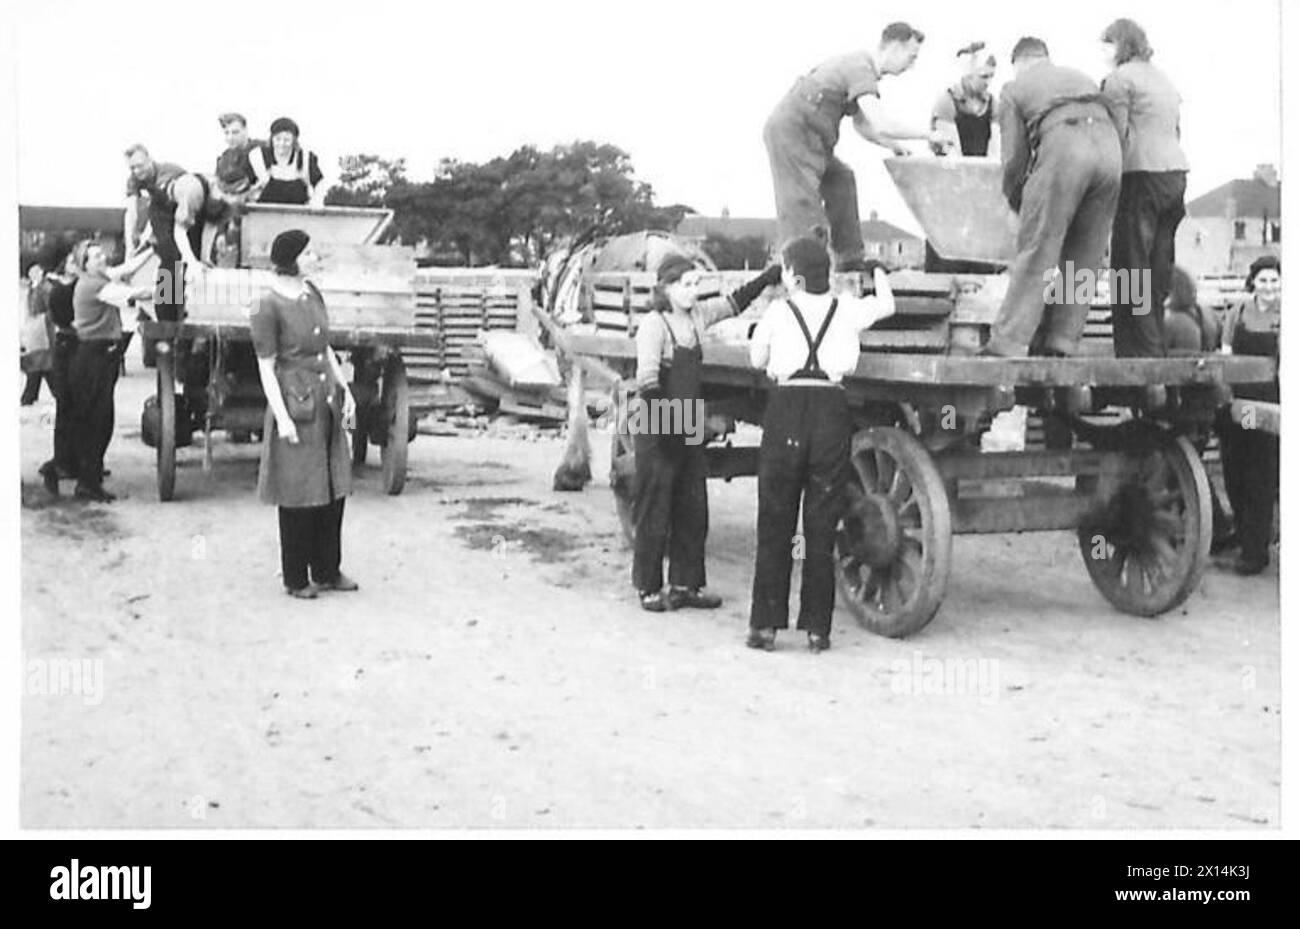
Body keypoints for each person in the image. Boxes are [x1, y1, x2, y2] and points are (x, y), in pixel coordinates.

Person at [747, 237, 895, 652]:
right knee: (821, 523)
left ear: (793, 276)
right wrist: (877, 270)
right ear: (825, 274)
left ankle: (765, 626)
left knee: (775, 519)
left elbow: (757, 360)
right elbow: (887, 306)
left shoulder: (778, 311)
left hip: (787, 407)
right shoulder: (846, 307)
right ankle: (817, 629)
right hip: (831, 409)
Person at [631, 256, 783, 612]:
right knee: (655, 509)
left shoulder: (696, 316)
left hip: (687, 424)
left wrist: (767, 278)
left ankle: (686, 584)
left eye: (696, 284)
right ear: (666, 287)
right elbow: (648, 382)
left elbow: (734, 303)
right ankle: (648, 587)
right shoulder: (654, 325)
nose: (692, 291)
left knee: (692, 508)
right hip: (657, 425)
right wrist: (667, 430)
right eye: (685, 284)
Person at [764, 22, 945, 272]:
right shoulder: (860, 67)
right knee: (802, 206)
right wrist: (929, 135)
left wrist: (895, 146)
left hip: (813, 140)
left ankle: (849, 262)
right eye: (910, 57)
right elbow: (880, 123)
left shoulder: (861, 71)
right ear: (894, 47)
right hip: (794, 134)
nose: (911, 66)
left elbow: (864, 125)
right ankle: (804, 271)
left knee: (841, 180)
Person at [982, 37, 1122, 357]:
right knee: (1086, 255)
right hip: (1110, 151)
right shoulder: (1079, 76)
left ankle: (1008, 343)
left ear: (1018, 63)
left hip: (1067, 146)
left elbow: (1014, 158)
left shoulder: (1014, 88)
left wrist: (1018, 199)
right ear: (1046, 57)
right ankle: (1063, 341)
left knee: (1038, 248)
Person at [250, 229, 358, 599]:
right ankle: (296, 578)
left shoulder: (313, 293)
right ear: (291, 258)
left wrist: (345, 388)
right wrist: (281, 417)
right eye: (308, 252)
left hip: (327, 398)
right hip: (295, 400)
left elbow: (326, 350)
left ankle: (328, 569)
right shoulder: (265, 303)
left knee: (333, 483)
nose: (315, 257)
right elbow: (266, 366)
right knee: (298, 490)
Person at [1101, 18, 1190, 358]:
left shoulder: (1119, 80)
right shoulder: (1162, 78)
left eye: (1107, 46)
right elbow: (1176, 130)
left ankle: (1138, 352)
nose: (1104, 55)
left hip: (1140, 175)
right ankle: (1154, 346)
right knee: (1158, 265)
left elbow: (1115, 137)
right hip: (1175, 175)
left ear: (1120, 45)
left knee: (1129, 265)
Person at [67, 240, 155, 502]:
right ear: (85, 264)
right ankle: (88, 484)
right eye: (95, 256)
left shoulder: (97, 278)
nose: (103, 258)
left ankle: (90, 480)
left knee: (98, 420)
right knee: (97, 422)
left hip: (95, 356)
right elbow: (139, 294)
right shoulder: (96, 286)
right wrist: (174, 285)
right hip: (93, 358)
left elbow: (126, 268)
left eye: (101, 254)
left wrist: (152, 249)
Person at [1216, 255, 1280, 576]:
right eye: (1264, 280)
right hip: (1236, 403)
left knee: (1260, 477)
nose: (1269, 287)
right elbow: (1225, 355)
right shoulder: (1236, 313)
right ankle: (1244, 538)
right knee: (1234, 474)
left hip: (1266, 407)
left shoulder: (1286, 317)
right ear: (1253, 282)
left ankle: (1255, 553)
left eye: (1275, 281)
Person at [37, 246, 81, 494]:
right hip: (68, 347)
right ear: (68, 265)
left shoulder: (65, 288)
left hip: (66, 347)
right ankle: (63, 462)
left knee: (70, 408)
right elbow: (67, 322)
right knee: (67, 407)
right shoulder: (62, 291)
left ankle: (70, 460)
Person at [931, 41, 1000, 158]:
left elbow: (995, 148)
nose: (988, 82)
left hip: (983, 168)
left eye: (991, 76)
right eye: (983, 77)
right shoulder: (947, 102)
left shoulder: (993, 104)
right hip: (952, 168)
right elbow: (950, 151)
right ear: (968, 75)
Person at [250, 118, 325, 207]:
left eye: (287, 140)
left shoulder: (305, 158)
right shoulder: (257, 156)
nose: (281, 144)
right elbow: (243, 183)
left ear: (294, 141)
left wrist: (317, 201)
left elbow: (320, 183)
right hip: (265, 214)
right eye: (278, 139)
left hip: (298, 213)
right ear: (271, 139)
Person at [20, 260, 54, 405]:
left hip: (44, 329)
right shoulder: (33, 287)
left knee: (42, 362)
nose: (33, 274)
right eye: (31, 271)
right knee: (39, 362)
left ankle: (30, 395)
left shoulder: (45, 288)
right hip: (36, 330)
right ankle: (30, 394)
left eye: (36, 271)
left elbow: (51, 309)